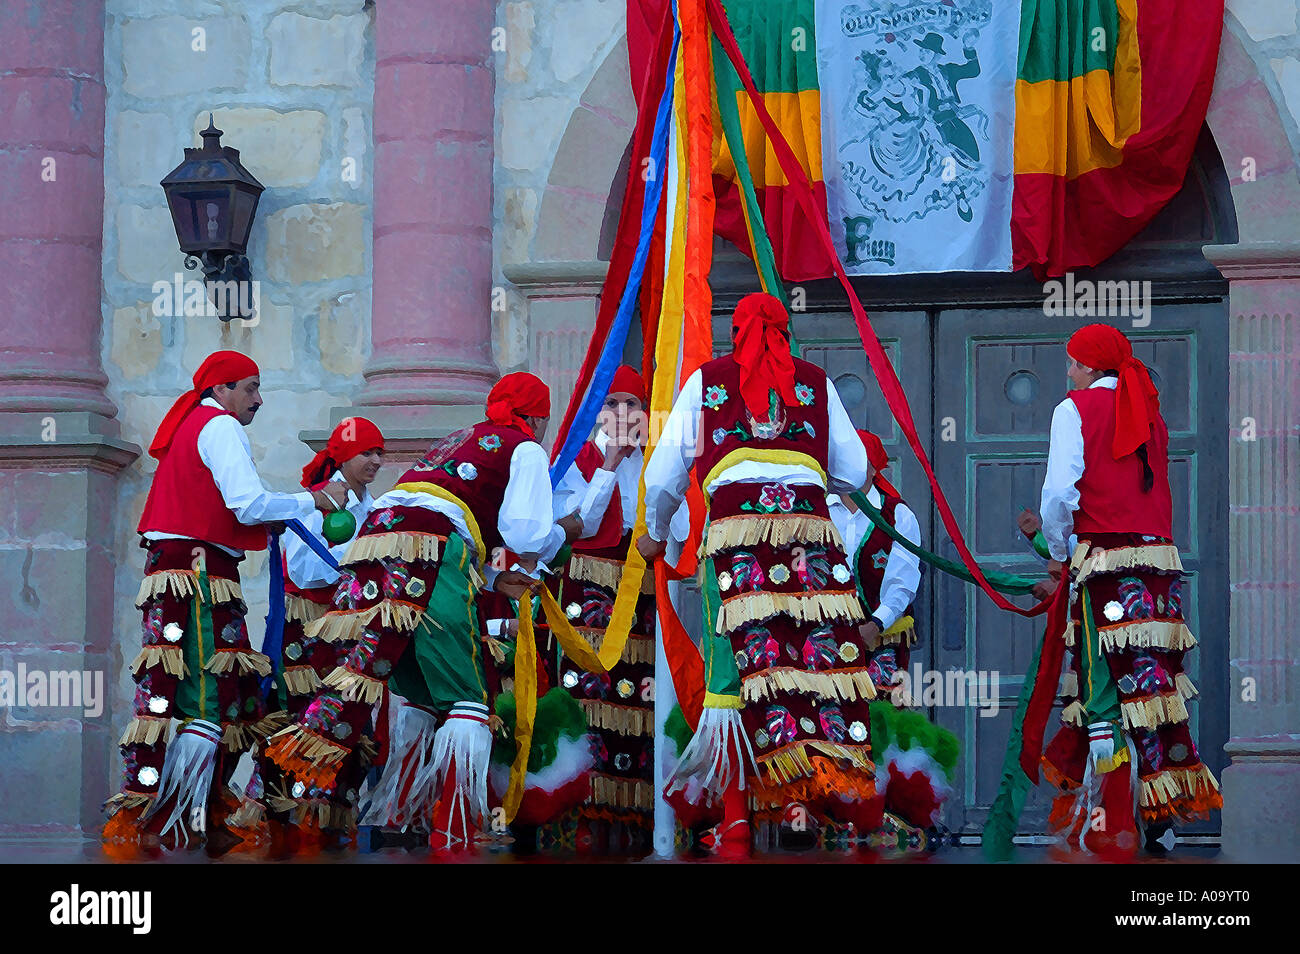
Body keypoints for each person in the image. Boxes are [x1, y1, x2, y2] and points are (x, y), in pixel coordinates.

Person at [263, 372, 582, 852]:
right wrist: (563, 532)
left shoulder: (462, 438)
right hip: (432, 550)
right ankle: (451, 828)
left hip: (378, 542)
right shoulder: (525, 446)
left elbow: (441, 513)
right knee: (469, 698)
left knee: (393, 687)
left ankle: (395, 811)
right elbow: (524, 535)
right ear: (537, 416)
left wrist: (494, 580)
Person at [638, 292, 874, 858]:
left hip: (735, 538)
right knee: (807, 660)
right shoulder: (816, 382)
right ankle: (801, 803)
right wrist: (807, 480)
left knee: (738, 666)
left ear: (733, 332)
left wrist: (654, 529)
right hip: (808, 534)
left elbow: (668, 470)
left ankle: (738, 821)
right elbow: (856, 471)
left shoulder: (706, 380)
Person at [104, 351, 347, 848]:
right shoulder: (218, 426)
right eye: (251, 388)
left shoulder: (198, 423)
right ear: (222, 389)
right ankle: (162, 811)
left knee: (217, 691)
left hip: (191, 573)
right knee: (208, 695)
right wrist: (311, 501)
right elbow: (248, 502)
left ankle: (204, 801)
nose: (258, 400)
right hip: (197, 577)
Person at [1038, 324, 1220, 857]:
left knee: (1101, 694)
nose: (1068, 372)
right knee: (1153, 691)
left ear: (1091, 368)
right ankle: (1160, 815)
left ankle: (1110, 823)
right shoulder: (1149, 414)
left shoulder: (1073, 409)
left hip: (1106, 567)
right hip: (1158, 569)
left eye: (1072, 363)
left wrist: (1056, 547)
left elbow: (1059, 492)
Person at [234, 416, 386, 845]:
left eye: (379, 452)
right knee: (301, 717)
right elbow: (305, 568)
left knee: (347, 722)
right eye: (366, 453)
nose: (375, 461)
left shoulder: (371, 507)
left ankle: (326, 824)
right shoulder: (321, 501)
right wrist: (359, 556)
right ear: (342, 456)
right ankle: (279, 824)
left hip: (344, 628)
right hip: (308, 628)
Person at [829, 429, 956, 842]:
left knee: (881, 715)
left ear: (872, 467)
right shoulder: (817, 510)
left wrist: (876, 623)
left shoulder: (898, 514)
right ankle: (835, 809)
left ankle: (888, 809)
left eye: (855, 461)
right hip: (826, 638)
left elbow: (903, 579)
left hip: (880, 636)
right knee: (830, 717)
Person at [551, 365, 657, 852]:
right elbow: (580, 524)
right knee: (589, 696)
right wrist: (611, 464)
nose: (621, 412)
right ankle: (584, 814)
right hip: (590, 586)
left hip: (642, 588)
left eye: (631, 403)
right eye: (611, 402)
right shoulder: (577, 455)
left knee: (638, 697)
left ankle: (636, 813)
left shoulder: (658, 456)